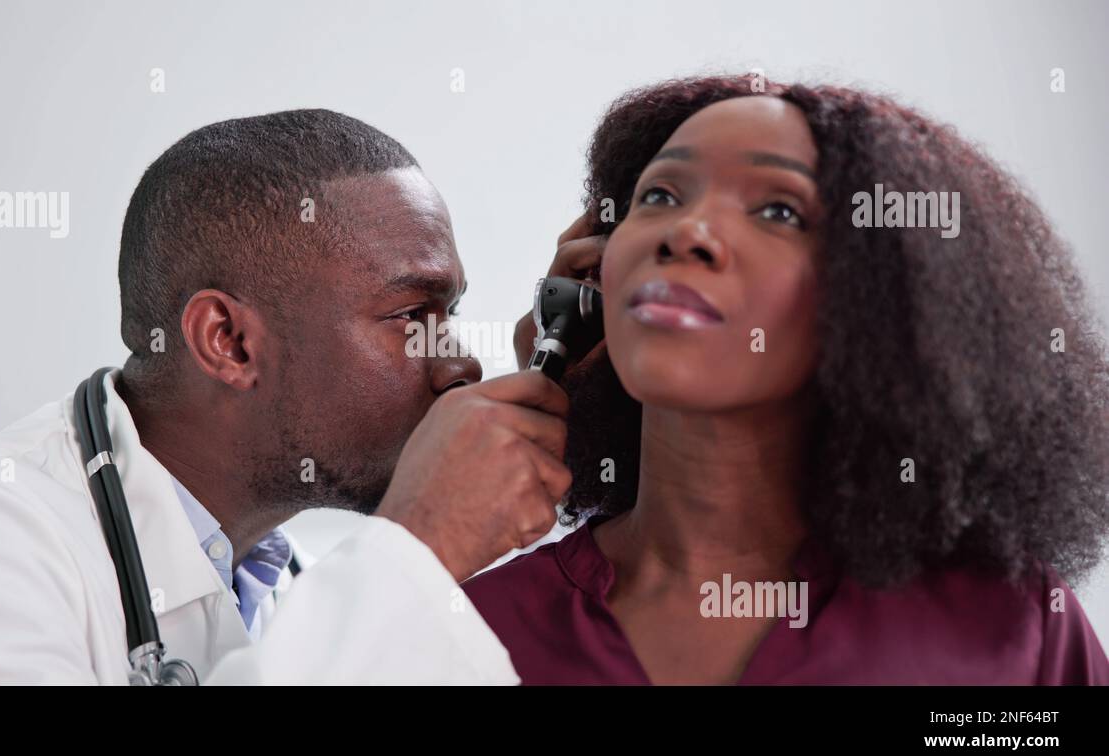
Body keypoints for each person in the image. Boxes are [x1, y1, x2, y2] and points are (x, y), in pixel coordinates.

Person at [0, 109, 571, 685]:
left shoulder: (285, 581)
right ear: (228, 341)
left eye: (453, 315)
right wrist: (421, 546)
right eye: (412, 317)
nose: (461, 363)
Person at [465, 76, 1109, 685]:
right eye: (660, 196)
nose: (688, 231)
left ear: (882, 300)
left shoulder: (1018, 629)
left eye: (778, 209)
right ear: (599, 273)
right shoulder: (466, 630)